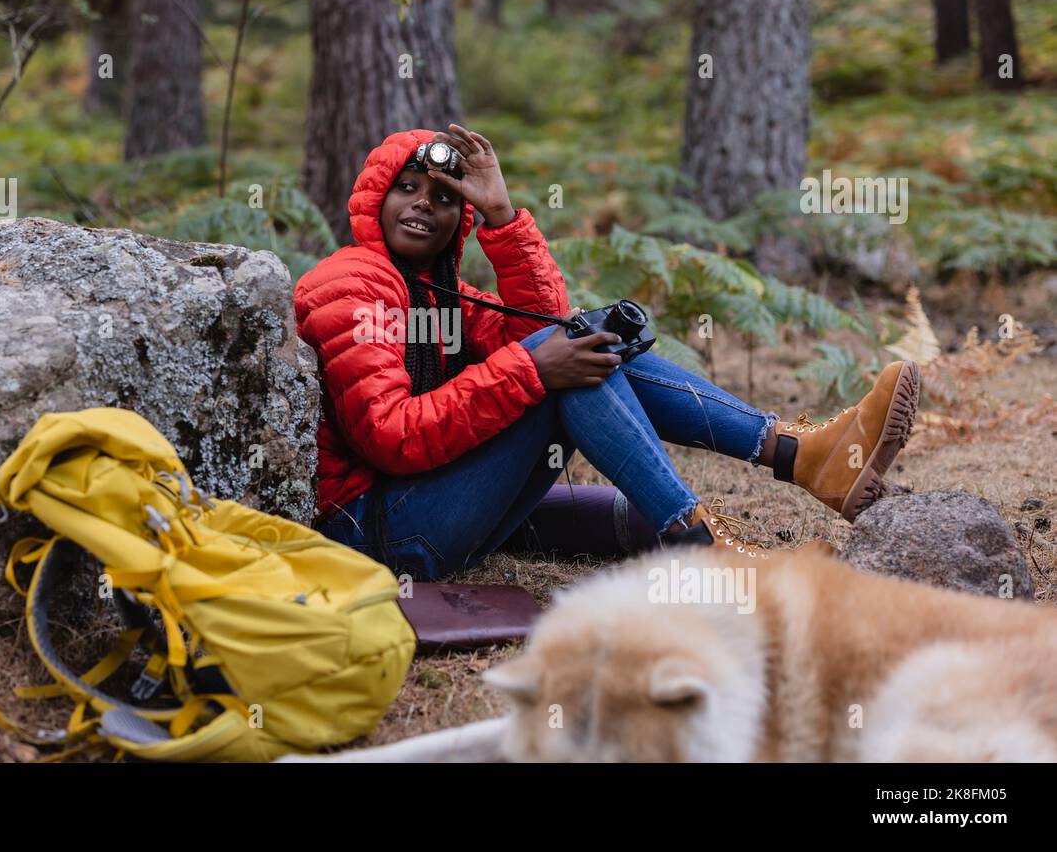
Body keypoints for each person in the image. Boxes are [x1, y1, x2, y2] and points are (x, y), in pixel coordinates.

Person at [293, 126, 920, 580]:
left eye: (445, 196)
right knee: (558, 363)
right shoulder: (350, 284)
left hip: (420, 509)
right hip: (376, 534)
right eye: (406, 189)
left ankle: (800, 457)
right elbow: (388, 435)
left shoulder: (439, 295)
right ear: (376, 199)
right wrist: (536, 370)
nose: (424, 205)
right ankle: (718, 528)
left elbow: (544, 321)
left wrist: (505, 219)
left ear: (463, 216)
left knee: (582, 346)